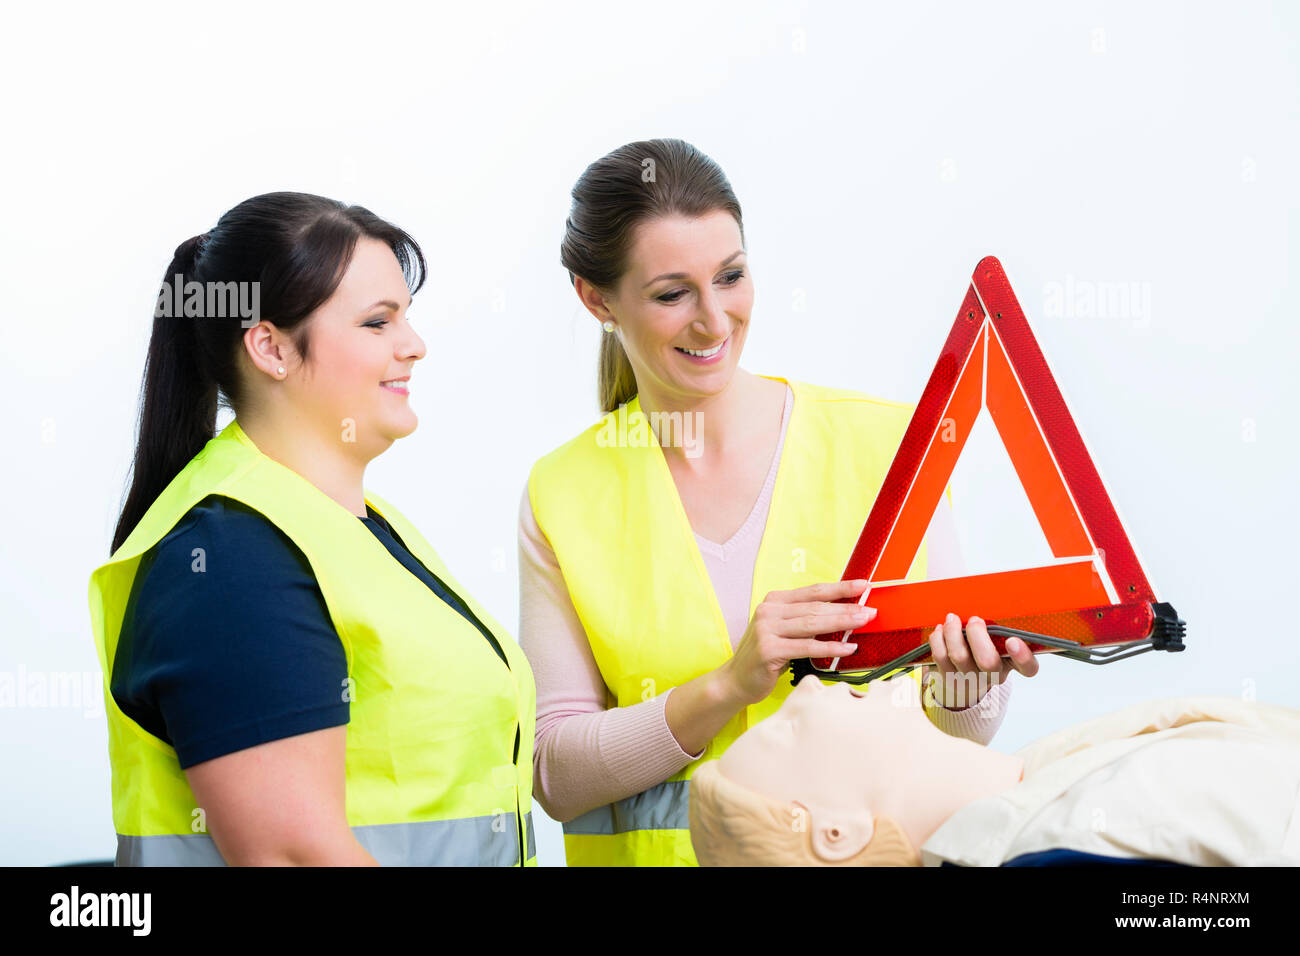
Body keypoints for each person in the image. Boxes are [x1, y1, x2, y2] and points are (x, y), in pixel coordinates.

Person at [519, 138, 1041, 867]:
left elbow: (953, 737)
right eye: (672, 294)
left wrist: (965, 688)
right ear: (596, 297)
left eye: (730, 277)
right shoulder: (564, 492)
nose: (714, 320)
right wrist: (728, 686)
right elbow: (557, 777)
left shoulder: (883, 445)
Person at [88, 192, 535, 866]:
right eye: (377, 323)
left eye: (405, 318)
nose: (414, 345)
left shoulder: (363, 529)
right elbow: (297, 856)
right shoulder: (230, 558)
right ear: (270, 347)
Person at [689, 672, 1300, 867]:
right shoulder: (1060, 860)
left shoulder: (1043, 786)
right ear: (837, 831)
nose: (808, 686)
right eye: (786, 731)